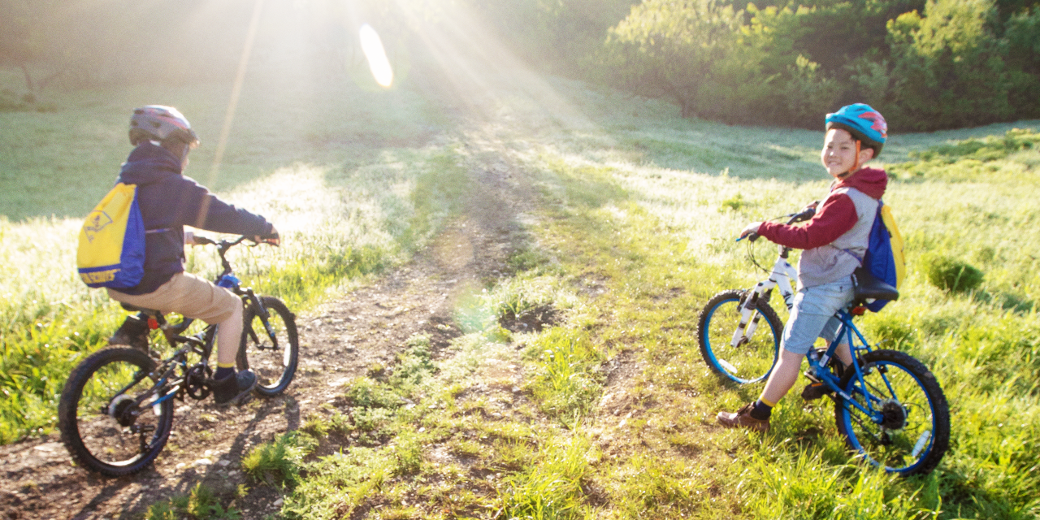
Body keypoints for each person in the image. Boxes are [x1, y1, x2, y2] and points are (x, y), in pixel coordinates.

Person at [717, 103, 889, 432]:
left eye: (844, 147)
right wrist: (817, 207)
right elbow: (836, 214)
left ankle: (756, 417)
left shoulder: (846, 196)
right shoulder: (859, 187)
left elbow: (810, 237)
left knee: (789, 355)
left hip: (825, 284)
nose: (833, 153)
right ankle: (851, 385)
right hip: (846, 280)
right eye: (829, 145)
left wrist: (765, 228)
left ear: (865, 154)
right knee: (836, 336)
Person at [105, 105, 279, 406]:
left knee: (165, 299)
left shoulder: (127, 183)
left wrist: (184, 236)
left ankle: (135, 329)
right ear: (174, 146)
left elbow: (140, 226)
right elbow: (223, 214)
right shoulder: (171, 185)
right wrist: (263, 227)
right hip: (156, 283)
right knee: (231, 307)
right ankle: (225, 383)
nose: (186, 158)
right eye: (186, 149)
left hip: (118, 282)